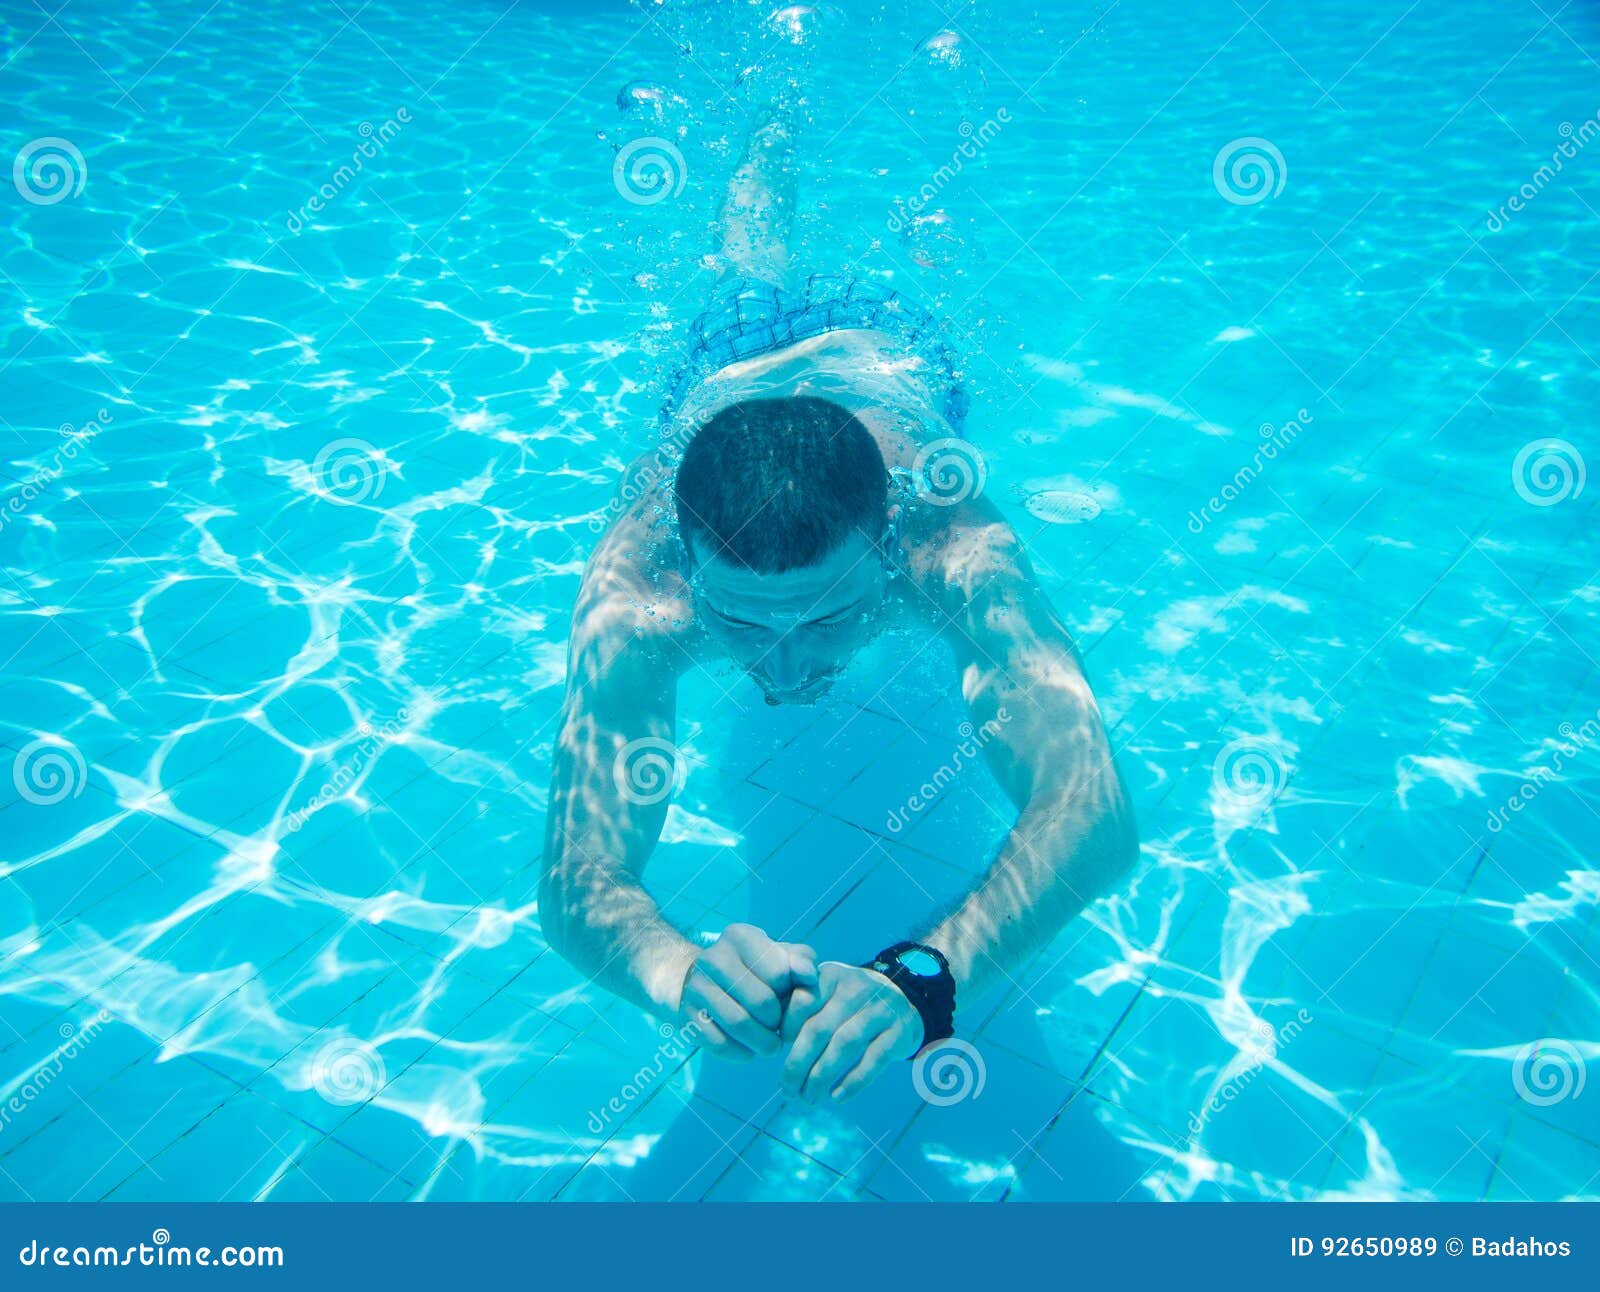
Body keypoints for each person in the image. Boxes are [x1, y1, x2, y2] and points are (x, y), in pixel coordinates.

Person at [540, 112, 1136, 1110]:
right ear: (689, 571)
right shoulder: (640, 592)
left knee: (904, 249)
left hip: (886, 352)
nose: (783, 676)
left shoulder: (948, 549)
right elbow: (574, 870)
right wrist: (674, 968)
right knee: (747, 259)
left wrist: (924, 975)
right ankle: (766, 132)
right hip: (723, 365)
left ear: (891, 551)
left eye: (824, 621)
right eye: (739, 625)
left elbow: (1096, 810)